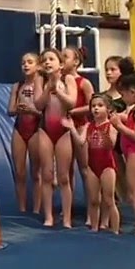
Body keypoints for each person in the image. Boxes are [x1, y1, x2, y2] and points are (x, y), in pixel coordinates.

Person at [105, 56, 135, 233]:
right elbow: (131, 121)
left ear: (133, 92)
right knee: (133, 193)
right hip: (131, 151)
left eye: (124, 94)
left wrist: (119, 126)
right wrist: (121, 118)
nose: (123, 98)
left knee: (134, 193)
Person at [64, 94, 119, 234]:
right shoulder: (88, 126)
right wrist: (72, 128)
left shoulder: (111, 126)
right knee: (94, 200)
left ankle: (115, 230)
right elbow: (80, 142)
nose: (96, 108)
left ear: (108, 109)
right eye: (93, 106)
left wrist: (107, 131)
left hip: (107, 166)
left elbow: (111, 145)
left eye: (100, 106)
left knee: (109, 200)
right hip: (92, 166)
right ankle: (94, 227)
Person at [38, 48, 76, 228]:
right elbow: (38, 105)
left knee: (63, 177)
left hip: (63, 131)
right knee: (46, 175)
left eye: (51, 59)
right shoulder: (41, 81)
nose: (47, 62)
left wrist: (58, 91)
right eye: (44, 60)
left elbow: (71, 103)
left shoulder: (68, 80)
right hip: (45, 131)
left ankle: (67, 218)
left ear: (60, 64)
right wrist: (48, 89)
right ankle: (48, 216)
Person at [60, 47, 95, 226]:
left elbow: (93, 106)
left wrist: (73, 111)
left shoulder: (84, 83)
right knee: (67, 172)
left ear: (76, 62)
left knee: (85, 170)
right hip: (64, 129)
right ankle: (68, 209)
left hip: (80, 127)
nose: (62, 59)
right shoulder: (59, 82)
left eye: (65, 56)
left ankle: (91, 211)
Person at [7, 52, 44, 214]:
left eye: (30, 62)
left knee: (36, 172)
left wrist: (31, 110)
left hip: (36, 128)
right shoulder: (18, 85)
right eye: (23, 63)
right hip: (20, 128)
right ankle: (22, 209)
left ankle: (36, 209)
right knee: (20, 172)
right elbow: (10, 110)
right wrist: (19, 109)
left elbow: (45, 112)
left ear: (38, 66)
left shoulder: (42, 84)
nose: (26, 65)